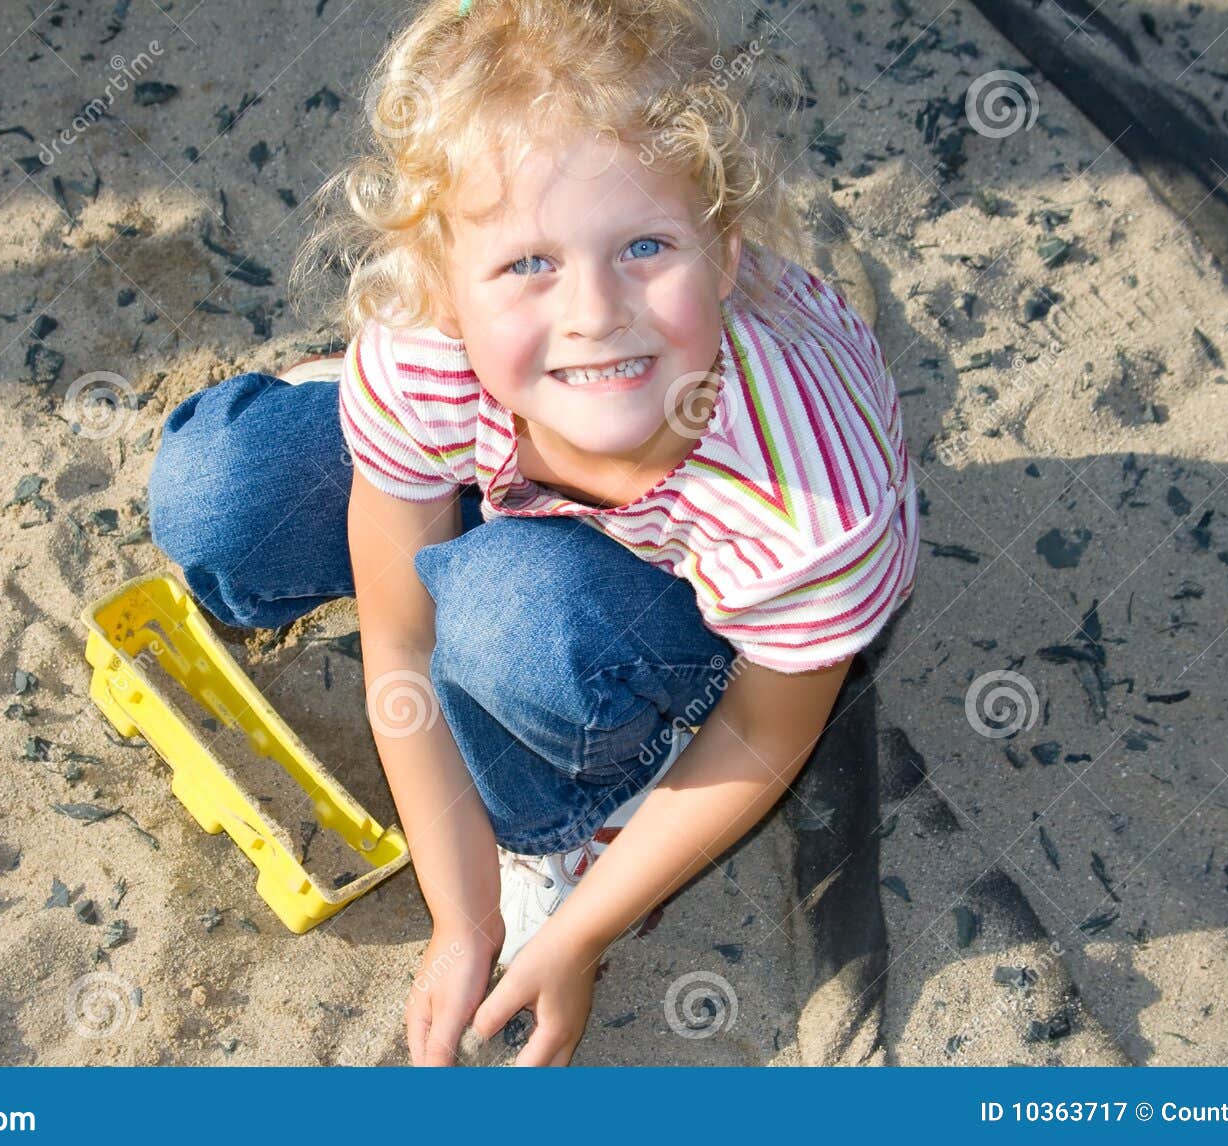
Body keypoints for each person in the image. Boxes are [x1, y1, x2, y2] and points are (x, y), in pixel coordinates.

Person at [148, 0, 918, 1066]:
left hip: (673, 571)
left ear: (726, 252)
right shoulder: (428, 336)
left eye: (644, 244)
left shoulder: (807, 508)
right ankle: (433, 456)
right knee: (220, 496)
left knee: (509, 616)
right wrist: (456, 913)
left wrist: (582, 926)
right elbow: (398, 634)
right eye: (526, 263)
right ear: (442, 283)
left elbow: (761, 734)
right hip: (494, 414)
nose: (596, 309)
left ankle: (566, 817)